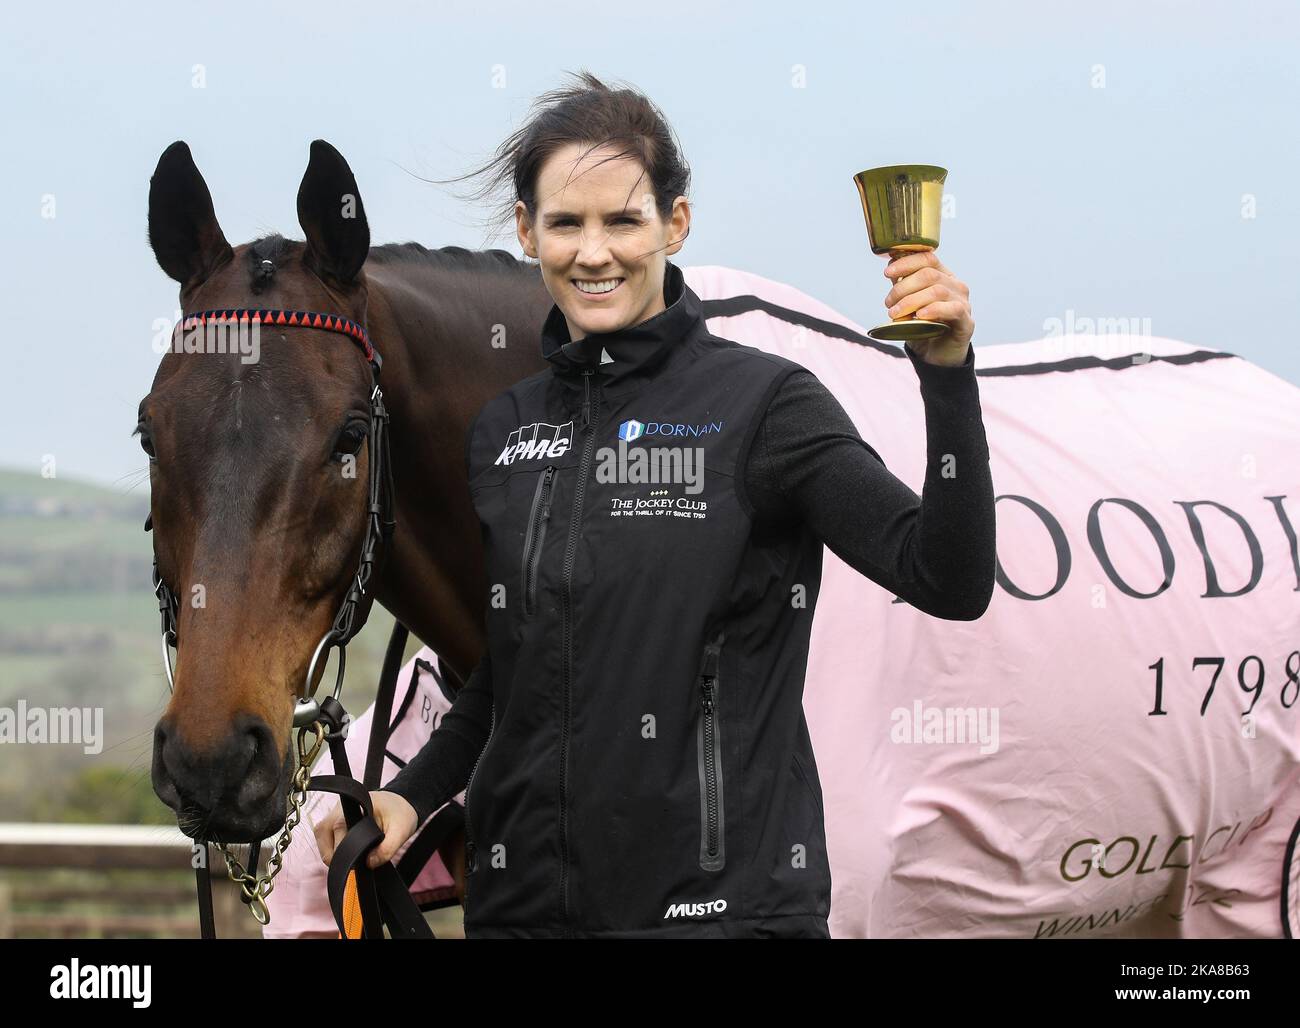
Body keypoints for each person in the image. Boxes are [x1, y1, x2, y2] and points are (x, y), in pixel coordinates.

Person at [315, 70, 995, 938]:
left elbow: (949, 576)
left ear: (675, 222)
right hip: (524, 915)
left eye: (623, 220)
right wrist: (409, 796)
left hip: (721, 914)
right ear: (527, 232)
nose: (593, 253)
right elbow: (517, 673)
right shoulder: (504, 431)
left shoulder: (766, 407)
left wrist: (946, 377)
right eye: (565, 223)